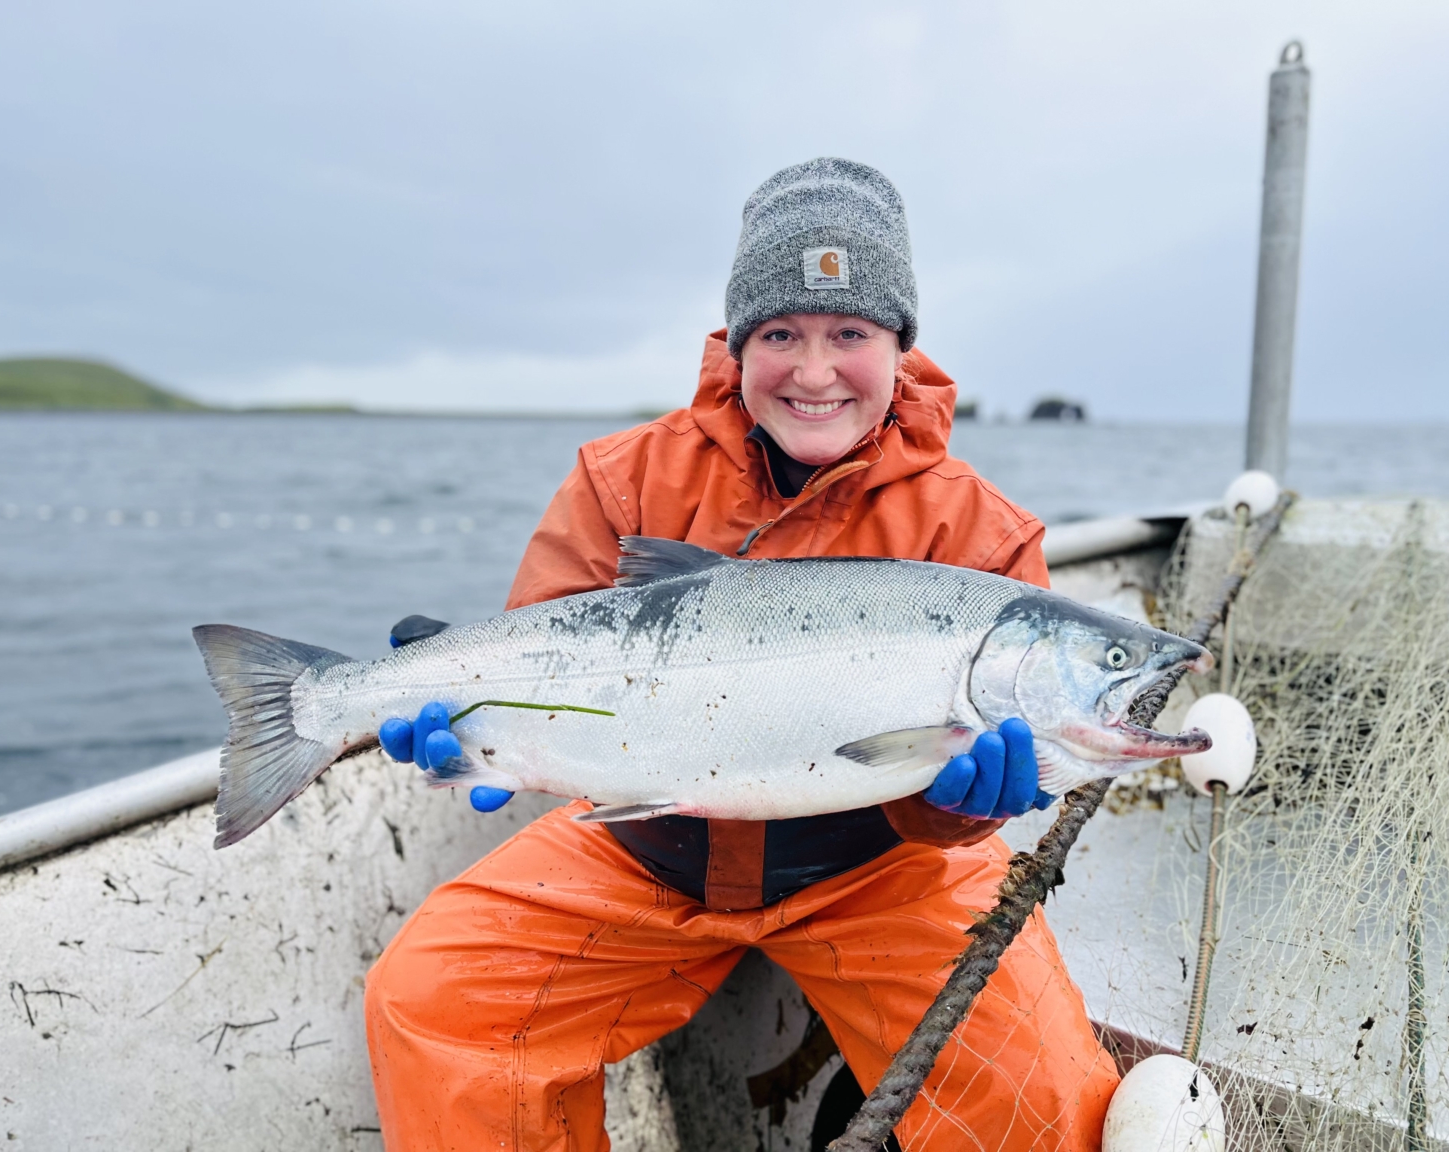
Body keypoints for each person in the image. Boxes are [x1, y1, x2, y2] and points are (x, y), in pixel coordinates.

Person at [364, 158, 1119, 1151]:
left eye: (849, 333)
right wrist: (475, 732)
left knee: (1049, 1096)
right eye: (781, 335)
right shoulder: (622, 478)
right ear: (736, 342)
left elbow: (941, 801)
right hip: (641, 853)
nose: (814, 372)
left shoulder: (982, 538)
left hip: (882, 871)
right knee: (431, 1006)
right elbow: (541, 648)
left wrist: (951, 808)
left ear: (899, 345)